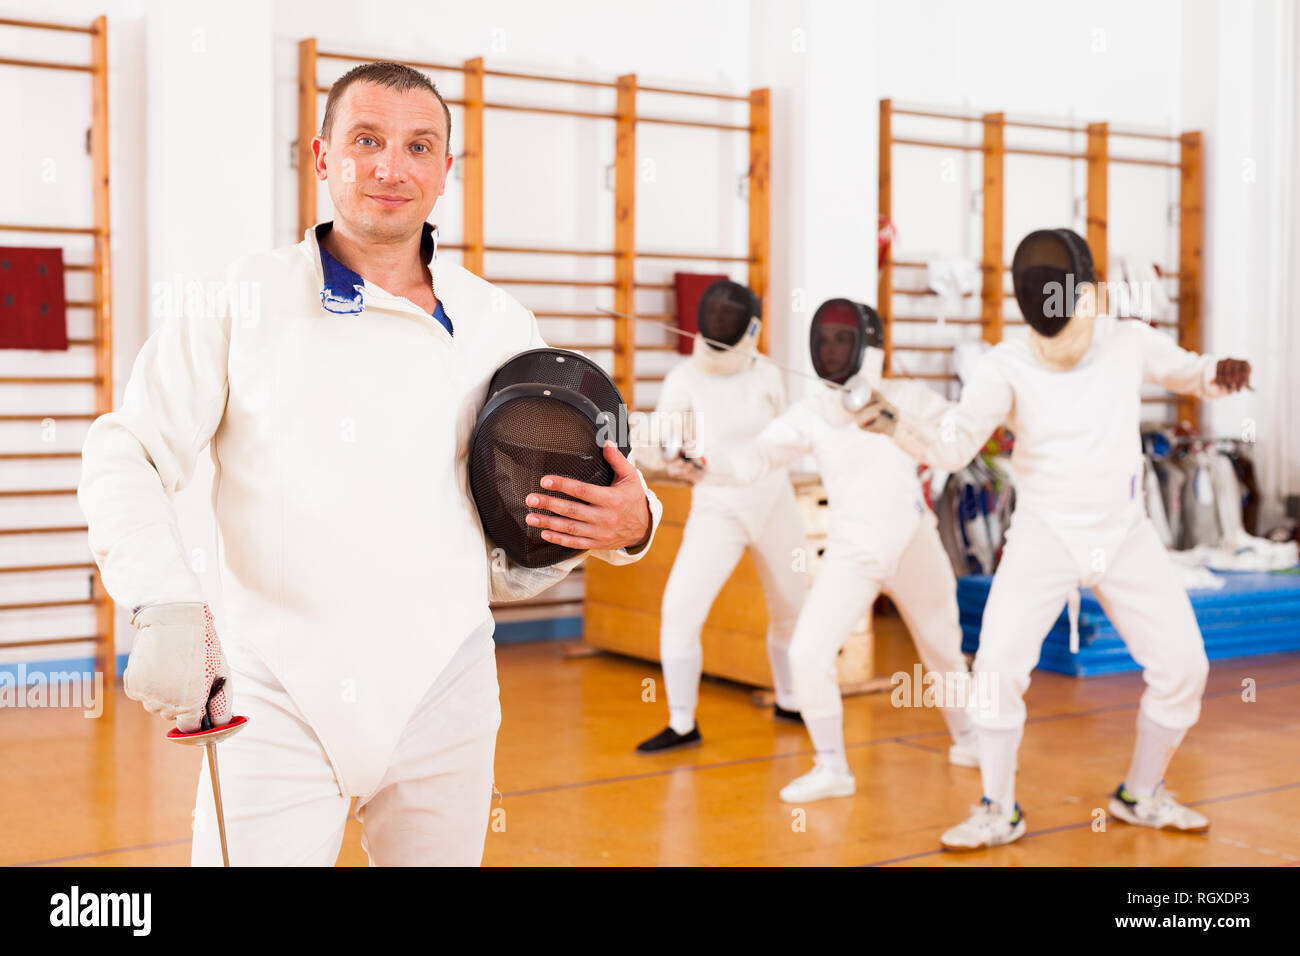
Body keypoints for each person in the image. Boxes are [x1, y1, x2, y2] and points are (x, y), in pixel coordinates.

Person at [78, 61, 660, 866]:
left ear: (445, 170)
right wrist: (162, 602)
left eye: (419, 146)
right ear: (322, 159)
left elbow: (546, 505)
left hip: (445, 689)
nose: (392, 167)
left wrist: (633, 524)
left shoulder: (498, 321)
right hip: (272, 695)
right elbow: (127, 448)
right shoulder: (244, 297)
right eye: (367, 141)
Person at [856, 229, 1252, 848]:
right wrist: (892, 422)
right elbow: (954, 447)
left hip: (1124, 532)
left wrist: (1219, 375)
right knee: (995, 669)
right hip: (1045, 532)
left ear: (1090, 293)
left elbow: (1191, 374)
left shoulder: (1127, 339)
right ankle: (998, 807)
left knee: (1183, 668)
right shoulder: (1004, 365)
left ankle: (1140, 794)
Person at [706, 298, 978, 802]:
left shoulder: (907, 396)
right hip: (854, 553)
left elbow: (959, 441)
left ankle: (969, 739)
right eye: (824, 339)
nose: (831, 349)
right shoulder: (812, 414)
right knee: (807, 653)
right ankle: (832, 767)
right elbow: (755, 458)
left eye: (842, 338)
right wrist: (704, 461)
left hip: (915, 543)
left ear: (868, 347)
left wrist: (898, 419)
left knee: (943, 649)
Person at [633, 281, 810, 754]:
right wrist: (673, 458)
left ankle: (791, 701)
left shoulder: (767, 373)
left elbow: (785, 434)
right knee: (679, 611)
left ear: (750, 327)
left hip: (774, 501)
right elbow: (661, 444)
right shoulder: (684, 379)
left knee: (792, 608)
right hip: (718, 507)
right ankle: (682, 723)